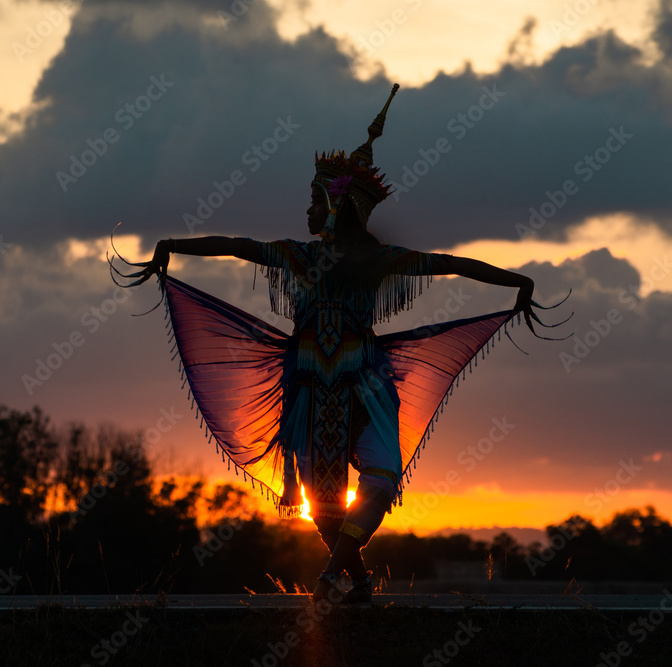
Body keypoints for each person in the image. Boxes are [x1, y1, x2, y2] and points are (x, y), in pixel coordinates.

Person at [110, 83, 565, 605]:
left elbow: (450, 264)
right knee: (322, 500)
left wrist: (516, 281)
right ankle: (356, 582)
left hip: (361, 382)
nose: (306, 210)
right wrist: (175, 244)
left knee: (381, 477)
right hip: (311, 386)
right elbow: (238, 247)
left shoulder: (374, 261)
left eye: (313, 201)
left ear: (335, 206)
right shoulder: (300, 257)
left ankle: (332, 578)